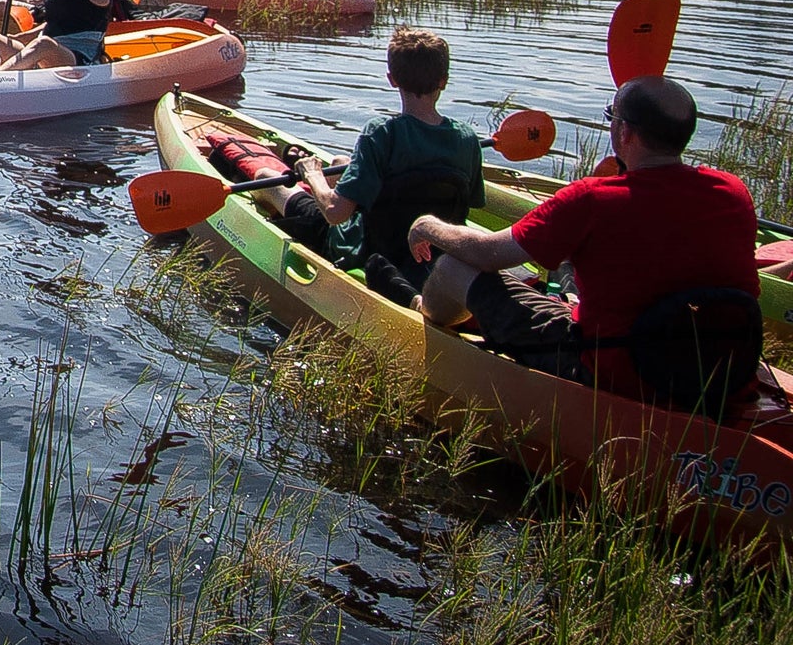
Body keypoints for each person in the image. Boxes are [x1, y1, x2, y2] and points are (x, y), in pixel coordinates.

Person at [408, 75, 761, 406]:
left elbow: (487, 254)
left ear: (624, 132)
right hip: (719, 373)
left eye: (613, 117)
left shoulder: (591, 199)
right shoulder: (733, 191)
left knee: (453, 266)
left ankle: (422, 312)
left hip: (611, 372)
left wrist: (427, 225)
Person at [279, 28, 486, 302]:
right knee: (343, 163)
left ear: (391, 79)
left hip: (368, 250)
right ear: (444, 81)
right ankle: (342, 174)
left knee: (268, 178)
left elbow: (335, 213)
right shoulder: (466, 138)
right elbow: (469, 202)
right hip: (433, 255)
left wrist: (312, 174)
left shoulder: (381, 133)